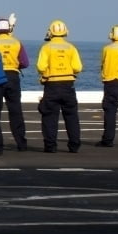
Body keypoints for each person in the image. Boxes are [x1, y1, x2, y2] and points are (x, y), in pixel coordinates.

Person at [36, 19, 84, 153]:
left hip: (52, 85)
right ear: (66, 32)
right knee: (71, 116)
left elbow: (41, 67)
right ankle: (74, 146)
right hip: (68, 85)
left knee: (49, 116)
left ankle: (50, 146)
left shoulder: (46, 47)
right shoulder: (71, 48)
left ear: (50, 32)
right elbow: (78, 67)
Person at [0, 15, 30, 151]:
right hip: (13, 77)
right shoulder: (16, 42)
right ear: (9, 29)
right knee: (15, 111)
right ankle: (21, 143)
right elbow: (24, 62)